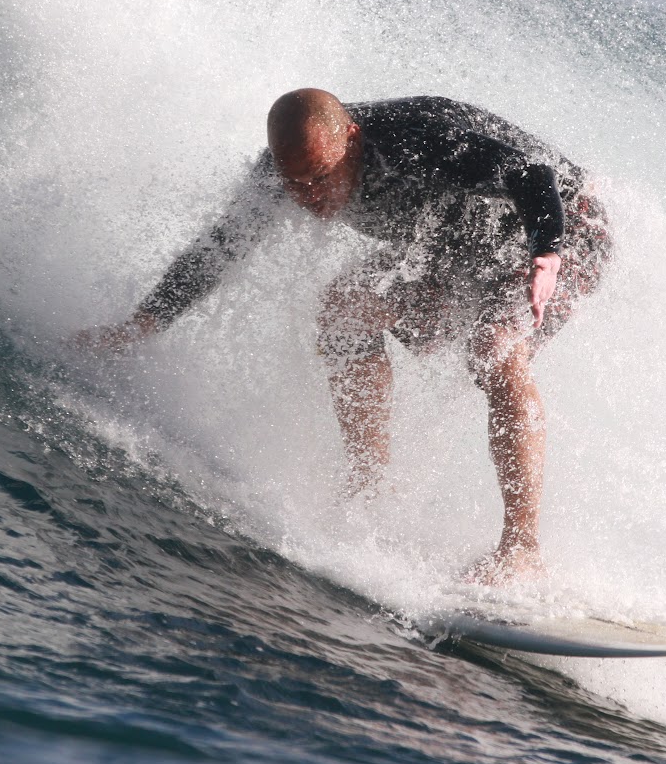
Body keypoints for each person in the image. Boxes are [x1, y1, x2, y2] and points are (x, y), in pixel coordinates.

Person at [77, 89, 612, 583]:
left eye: (319, 178)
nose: (307, 196)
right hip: (461, 248)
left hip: (567, 228)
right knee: (344, 313)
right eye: (294, 183)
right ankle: (370, 488)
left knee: (492, 347)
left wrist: (546, 253)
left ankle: (521, 550)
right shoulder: (281, 171)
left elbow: (531, 173)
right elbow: (220, 248)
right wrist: (141, 324)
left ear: (351, 139)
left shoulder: (415, 141)